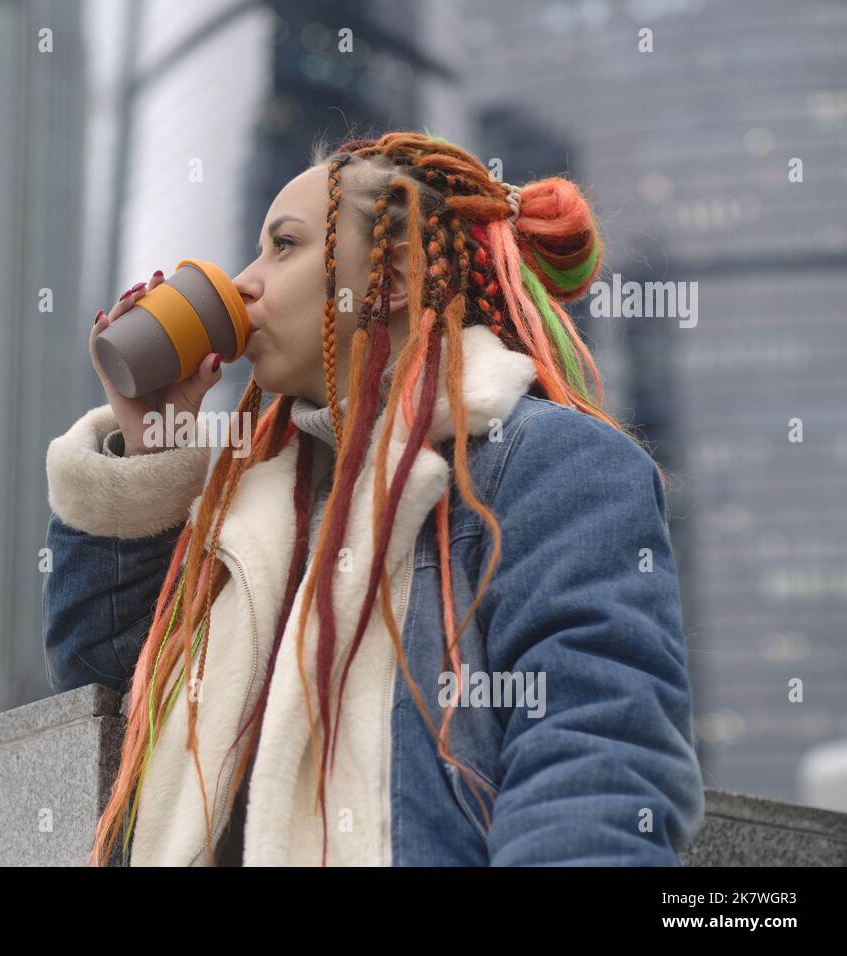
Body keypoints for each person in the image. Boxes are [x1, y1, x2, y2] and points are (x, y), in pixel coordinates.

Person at [42, 130, 705, 867]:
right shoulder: (254, 510)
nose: (245, 282)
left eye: (283, 246)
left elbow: (595, 757)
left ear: (390, 279)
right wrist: (151, 450)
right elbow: (106, 687)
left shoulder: (548, 464)